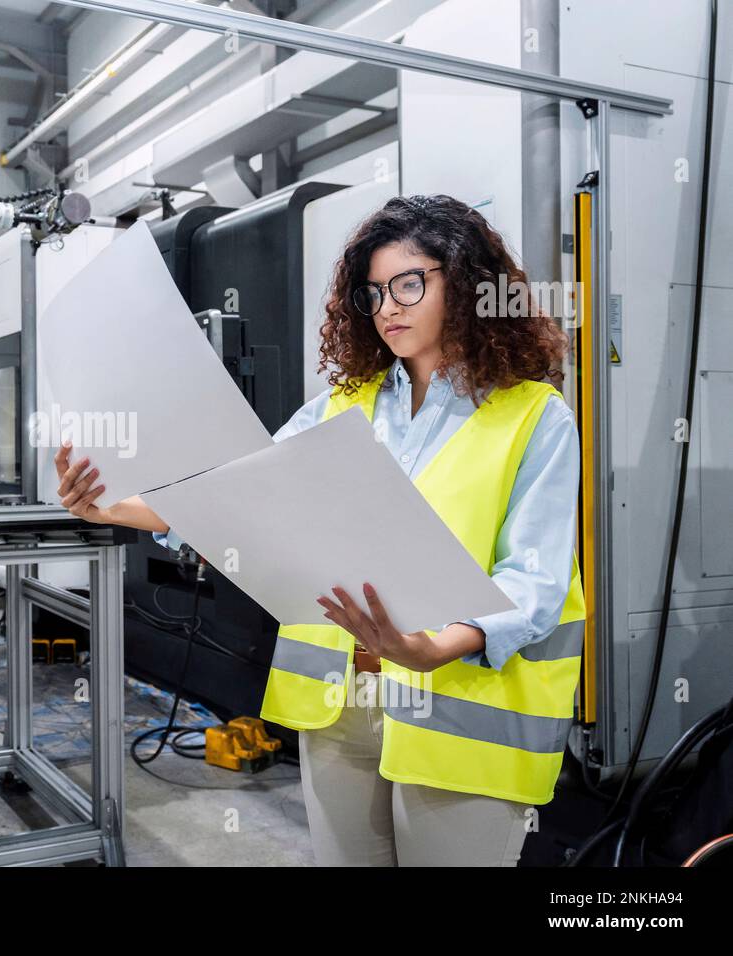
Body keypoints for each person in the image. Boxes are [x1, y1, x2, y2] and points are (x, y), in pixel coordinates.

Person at [53, 194, 585, 866]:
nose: (388, 307)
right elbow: (238, 499)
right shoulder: (341, 407)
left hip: (457, 711)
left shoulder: (535, 417)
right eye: (374, 293)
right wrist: (113, 508)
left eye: (409, 284)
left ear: (468, 285)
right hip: (341, 711)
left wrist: (431, 647)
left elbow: (533, 579)